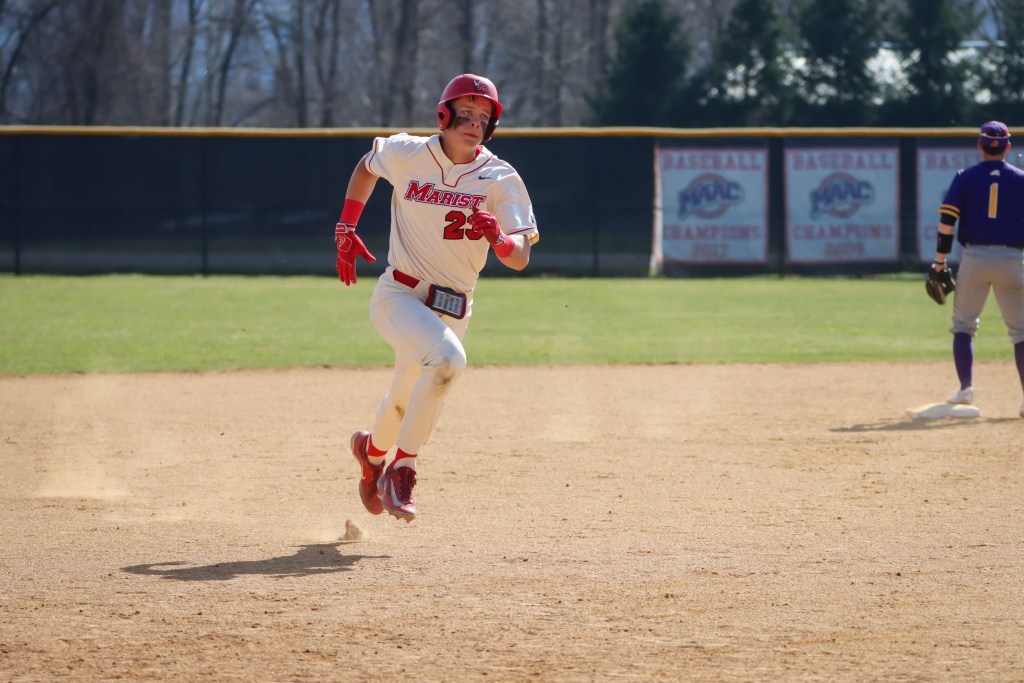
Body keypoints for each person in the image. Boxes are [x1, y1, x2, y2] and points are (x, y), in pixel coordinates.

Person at [332, 74, 539, 521]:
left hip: (454, 306)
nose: (474, 122)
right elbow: (367, 166)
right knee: (447, 362)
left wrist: (501, 239)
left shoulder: (500, 177)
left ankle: (371, 455)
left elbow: (519, 257)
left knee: (406, 398)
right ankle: (401, 471)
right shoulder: (409, 153)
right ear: (443, 114)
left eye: (484, 116)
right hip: (399, 294)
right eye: (466, 112)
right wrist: (347, 225)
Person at [933, 120, 1024, 418]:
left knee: (964, 326)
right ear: (1008, 147)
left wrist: (940, 261)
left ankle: (966, 388)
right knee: (1021, 332)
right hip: (1013, 260)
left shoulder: (965, 177)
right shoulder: (1021, 179)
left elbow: (947, 222)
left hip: (975, 258)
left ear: (980, 146)